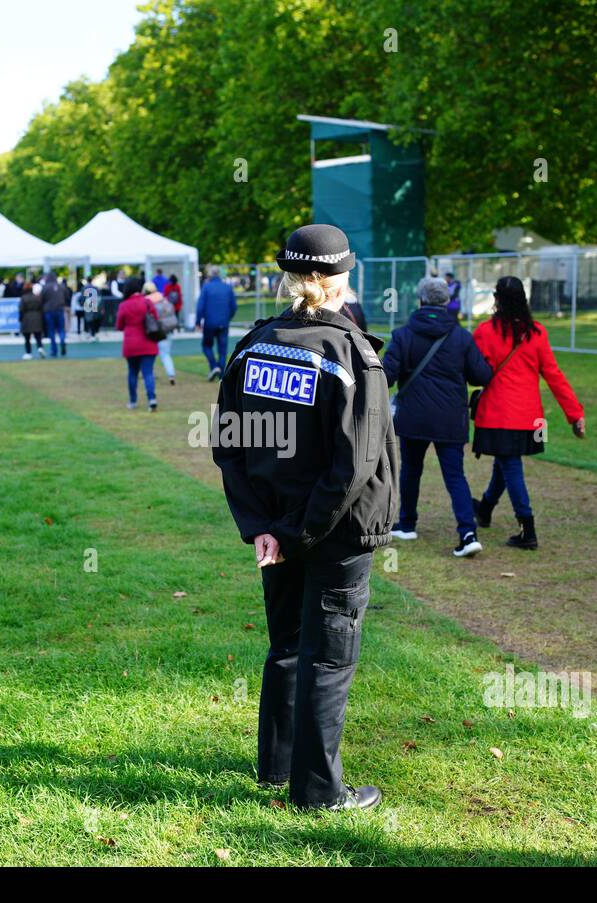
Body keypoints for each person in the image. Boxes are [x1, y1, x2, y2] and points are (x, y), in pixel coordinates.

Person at [213, 224, 396, 812]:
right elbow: (354, 466)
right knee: (327, 655)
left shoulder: (251, 346)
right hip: (330, 531)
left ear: (289, 279)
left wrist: (265, 526)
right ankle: (317, 791)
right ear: (342, 281)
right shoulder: (351, 354)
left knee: (289, 645)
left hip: (283, 527)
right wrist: (281, 530)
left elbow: (229, 448)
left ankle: (278, 767)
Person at [471, 276, 585, 549]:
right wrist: (575, 413)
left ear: (496, 299)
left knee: (510, 465)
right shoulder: (537, 333)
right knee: (505, 461)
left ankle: (527, 528)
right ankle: (486, 507)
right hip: (529, 416)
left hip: (498, 414)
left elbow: (476, 374)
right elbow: (554, 376)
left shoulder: (485, 332)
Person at [383, 276, 493, 556]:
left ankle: (407, 523)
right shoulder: (461, 337)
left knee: (411, 469)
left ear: (420, 300)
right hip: (450, 417)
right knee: (455, 475)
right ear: (446, 301)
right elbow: (481, 375)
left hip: (413, 416)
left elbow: (387, 376)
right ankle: (467, 533)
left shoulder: (403, 334)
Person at [116, 277, 158, 410]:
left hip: (131, 344)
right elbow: (155, 319)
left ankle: (133, 400)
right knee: (148, 373)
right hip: (148, 342)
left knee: (132, 372)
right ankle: (151, 398)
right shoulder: (147, 303)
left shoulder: (124, 305)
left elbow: (119, 325)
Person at [197, 266, 237, 380]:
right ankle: (221, 374)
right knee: (222, 349)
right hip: (223, 323)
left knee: (206, 345)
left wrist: (198, 321)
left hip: (209, 323)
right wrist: (227, 317)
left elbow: (200, 306)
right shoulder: (227, 287)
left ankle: (214, 366)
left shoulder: (206, 287)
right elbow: (233, 307)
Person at [144, 281, 178, 385]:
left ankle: (150, 373)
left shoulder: (146, 301)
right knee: (166, 354)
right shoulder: (163, 298)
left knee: (150, 354)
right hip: (166, 329)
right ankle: (171, 374)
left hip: (154, 331)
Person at [39, 272, 68, 357]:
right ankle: (62, 341)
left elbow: (41, 299)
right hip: (60, 309)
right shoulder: (61, 286)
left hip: (49, 311)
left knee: (51, 331)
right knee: (61, 329)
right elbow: (66, 296)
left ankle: (54, 349)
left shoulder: (45, 287)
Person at [18, 282, 45, 359]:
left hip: (27, 319)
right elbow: (41, 308)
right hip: (37, 318)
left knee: (27, 338)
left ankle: (28, 353)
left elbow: (21, 310)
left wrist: (20, 319)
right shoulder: (37, 297)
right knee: (38, 336)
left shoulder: (23, 298)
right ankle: (40, 348)